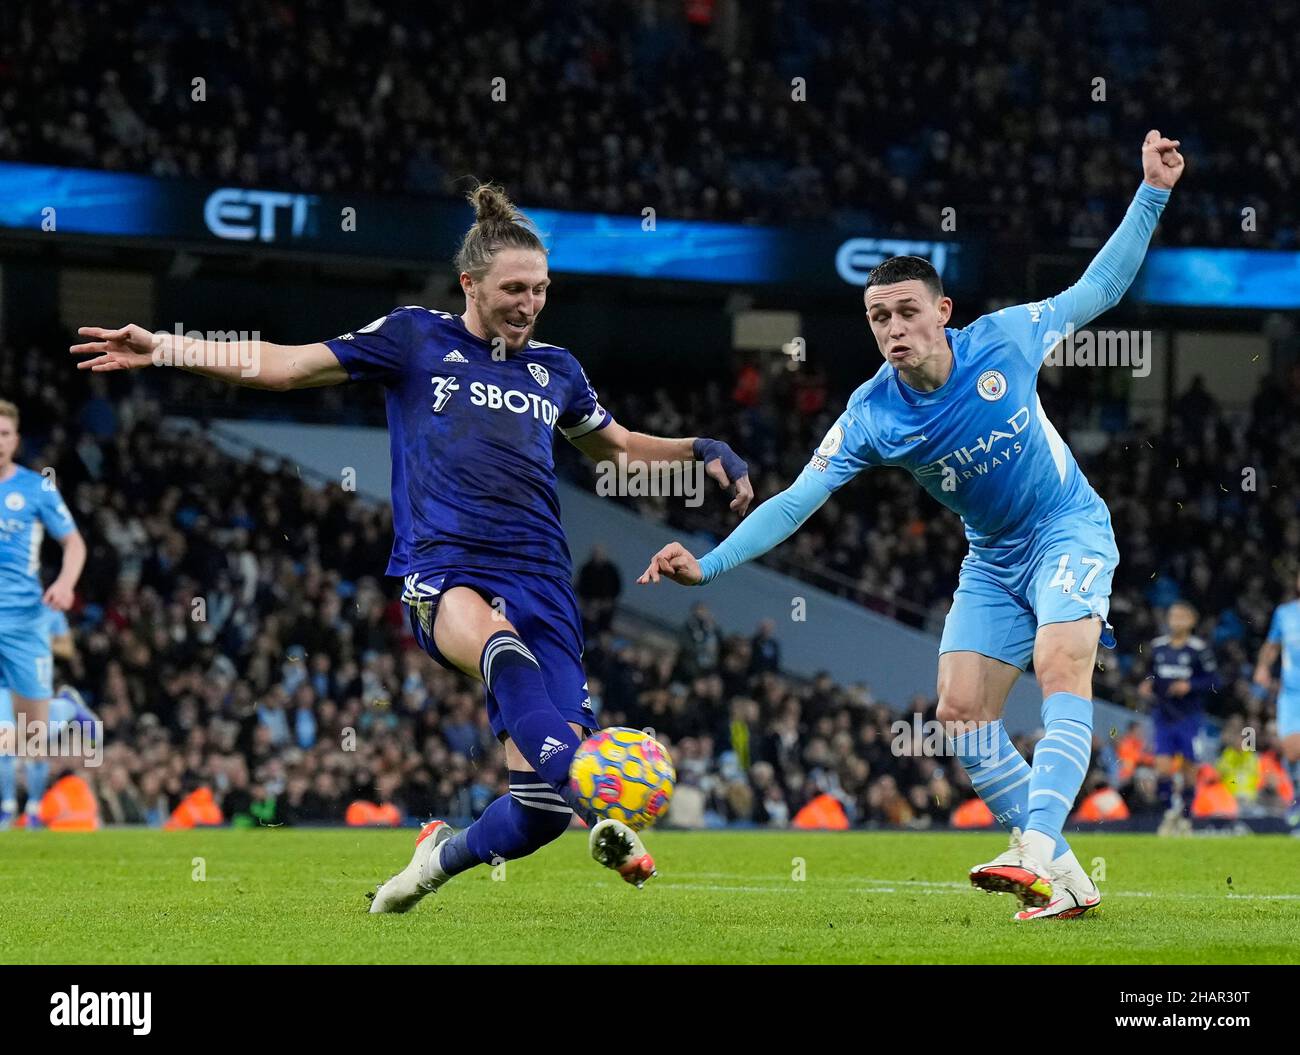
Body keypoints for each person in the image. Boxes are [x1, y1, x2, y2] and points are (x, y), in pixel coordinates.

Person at [71, 181, 753, 910]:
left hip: (544, 580)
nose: (530, 304)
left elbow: (616, 449)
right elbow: (289, 365)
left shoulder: (557, 369)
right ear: (470, 283)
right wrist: (167, 347)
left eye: (542, 290)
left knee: (540, 812)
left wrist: (698, 448)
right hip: (447, 568)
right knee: (501, 650)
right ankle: (593, 790)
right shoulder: (416, 337)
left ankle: (438, 857)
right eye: (514, 288)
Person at [638, 131, 1186, 921]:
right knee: (960, 714)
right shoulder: (870, 414)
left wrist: (1152, 192)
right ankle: (1066, 875)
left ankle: (1032, 845)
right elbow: (795, 500)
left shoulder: (1005, 336)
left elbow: (1099, 287)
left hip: (1067, 525)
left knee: (1061, 660)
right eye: (877, 317)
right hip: (995, 556)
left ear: (944, 313)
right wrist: (711, 562)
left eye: (906, 312)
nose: (893, 328)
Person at [0, 401, 87, 829]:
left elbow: (74, 544)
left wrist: (66, 583)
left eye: (4, 434)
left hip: (24, 621)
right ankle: (9, 809)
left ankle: (31, 808)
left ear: (15, 440)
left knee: (30, 735)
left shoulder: (37, 489)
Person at [1139, 600, 1218, 834]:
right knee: (1162, 768)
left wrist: (1190, 685)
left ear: (1192, 621)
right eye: (1173, 615)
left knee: (1189, 770)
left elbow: (1215, 681)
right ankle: (1169, 812)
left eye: (1182, 616)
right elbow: (1150, 674)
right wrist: (1147, 685)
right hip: (1163, 716)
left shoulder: (1199, 649)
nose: (1176, 620)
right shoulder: (1157, 646)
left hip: (1189, 717)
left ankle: (1186, 818)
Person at [1253, 568, 1300, 827]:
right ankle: (1297, 800)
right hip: (1292, 692)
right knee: (1292, 751)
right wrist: (1262, 667)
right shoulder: (1284, 613)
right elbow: (1272, 645)